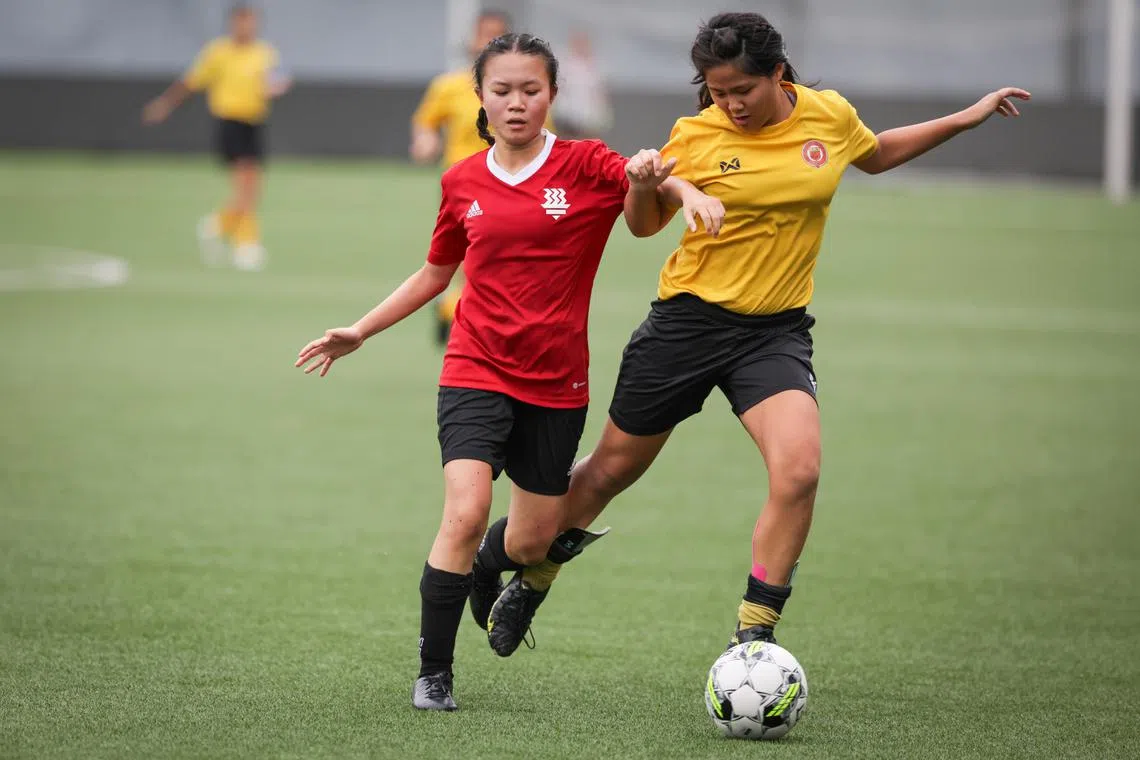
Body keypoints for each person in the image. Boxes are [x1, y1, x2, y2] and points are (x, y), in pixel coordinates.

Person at [479, 11, 1031, 657]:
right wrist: (645, 185)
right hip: (686, 325)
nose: (732, 104)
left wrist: (967, 116)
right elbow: (642, 225)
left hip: (774, 333)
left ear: (777, 73)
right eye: (719, 92)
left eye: (743, 90)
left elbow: (876, 154)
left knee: (799, 472)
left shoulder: (827, 115)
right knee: (606, 475)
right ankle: (529, 569)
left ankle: (756, 632)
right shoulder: (697, 135)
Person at [295, 33, 722, 711]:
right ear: (481, 99)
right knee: (464, 513)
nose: (517, 102)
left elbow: (648, 191)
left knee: (531, 542)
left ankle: (485, 572)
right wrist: (361, 330)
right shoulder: (460, 181)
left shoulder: (584, 163)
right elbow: (438, 271)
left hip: (557, 383)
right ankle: (434, 673)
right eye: (502, 90)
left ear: (552, 95)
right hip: (475, 367)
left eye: (531, 90)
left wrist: (681, 189)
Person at [142, 3, 290, 271]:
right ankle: (245, 244)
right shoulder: (218, 52)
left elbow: (270, 80)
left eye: (251, 22)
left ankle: (217, 226)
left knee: (252, 188)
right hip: (230, 123)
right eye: (242, 21)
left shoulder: (264, 52)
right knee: (244, 184)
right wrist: (164, 104)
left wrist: (274, 87)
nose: (247, 26)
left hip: (254, 123)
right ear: (233, 23)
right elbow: (190, 83)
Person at [410, 10, 511, 346]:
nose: (489, 43)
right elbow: (425, 121)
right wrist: (425, 140)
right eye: (485, 35)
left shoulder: (517, 91)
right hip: (463, 188)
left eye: (497, 36)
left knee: (486, 262)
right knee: (475, 260)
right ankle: (464, 320)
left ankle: (449, 310)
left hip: (508, 186)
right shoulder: (450, 86)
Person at [553, 30, 613, 139]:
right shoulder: (564, 64)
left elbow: (598, 95)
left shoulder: (595, 67)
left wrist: (601, 118)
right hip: (567, 116)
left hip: (588, 118)